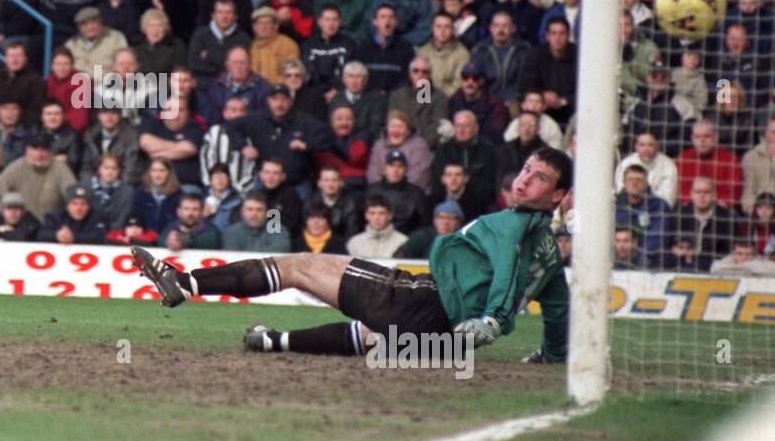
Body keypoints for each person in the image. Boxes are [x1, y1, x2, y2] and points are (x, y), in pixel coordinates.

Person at [134, 149, 573, 362]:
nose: (523, 181)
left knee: (300, 266)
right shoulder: (551, 254)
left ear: (557, 195)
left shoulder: (515, 225)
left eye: (539, 179)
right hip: (445, 339)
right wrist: (552, 355)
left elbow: (508, 263)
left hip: (427, 301)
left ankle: (185, 283)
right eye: (526, 170)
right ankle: (274, 341)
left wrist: (494, 318)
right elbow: (557, 309)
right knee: (372, 337)